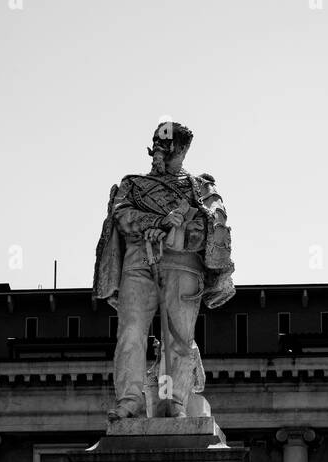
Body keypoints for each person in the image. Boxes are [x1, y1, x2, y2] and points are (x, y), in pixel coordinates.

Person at [94, 120, 234, 421]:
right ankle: (130, 401)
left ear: (183, 149)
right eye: (157, 143)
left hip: (183, 263)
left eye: (167, 145)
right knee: (131, 332)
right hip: (138, 261)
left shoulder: (202, 188)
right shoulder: (132, 184)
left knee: (178, 338)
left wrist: (178, 230)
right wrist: (158, 222)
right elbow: (121, 214)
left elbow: (216, 224)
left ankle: (175, 402)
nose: (160, 150)